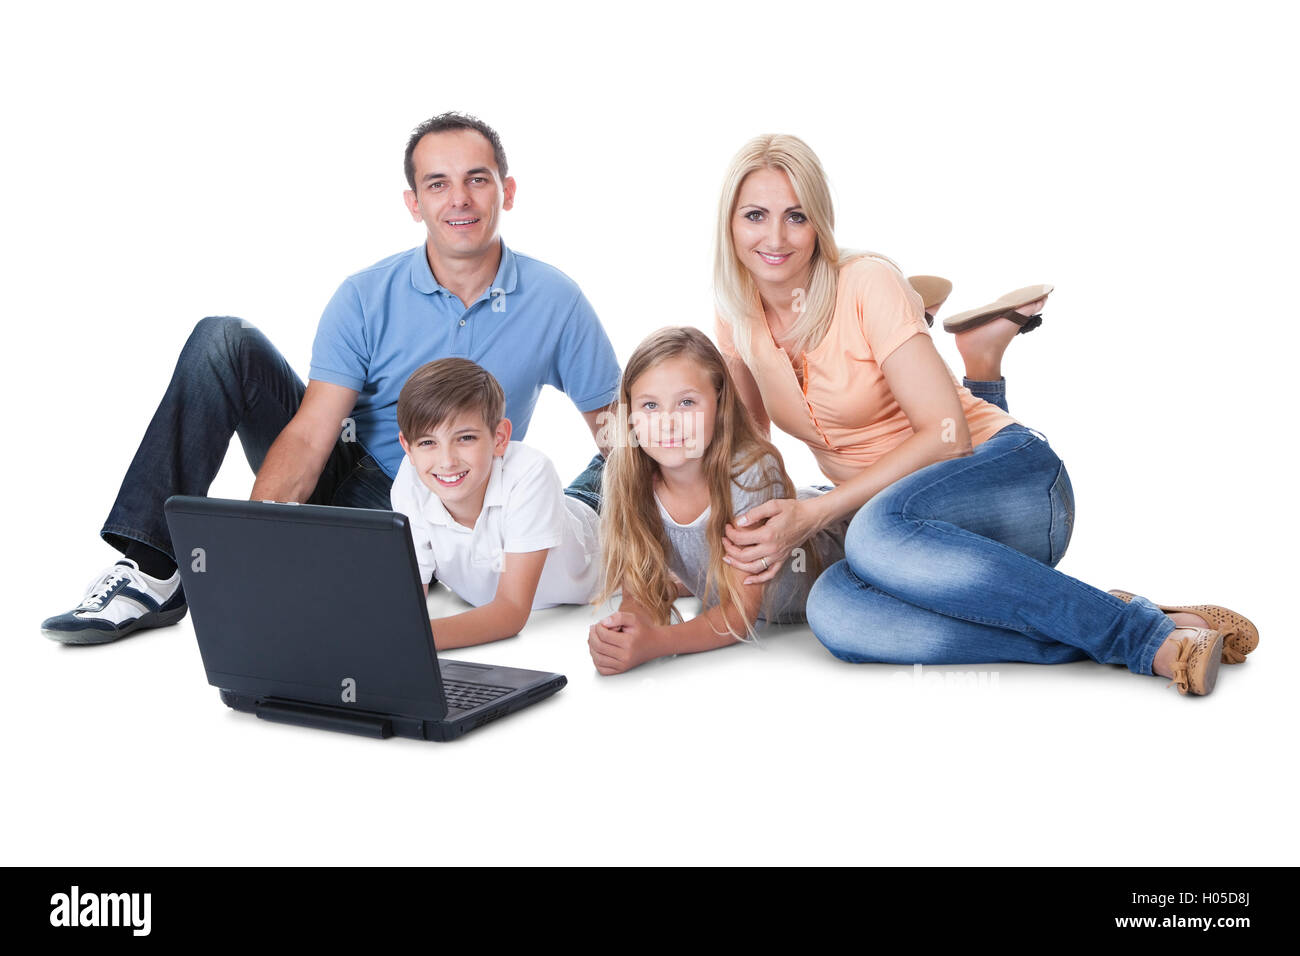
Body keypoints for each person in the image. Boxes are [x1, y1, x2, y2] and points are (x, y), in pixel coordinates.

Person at [710, 134, 1259, 697]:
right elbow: (755, 449)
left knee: (870, 533)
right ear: (729, 223)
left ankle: (1144, 640)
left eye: (795, 217)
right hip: (928, 552)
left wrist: (819, 511)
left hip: (1010, 483)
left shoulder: (864, 282)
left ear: (819, 223)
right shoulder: (735, 315)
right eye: (755, 215)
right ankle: (1101, 618)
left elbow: (945, 439)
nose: (774, 238)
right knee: (836, 611)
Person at [42, 112, 620, 644]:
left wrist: (677, 497)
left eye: (478, 179)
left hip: (435, 488)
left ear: (507, 191)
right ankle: (151, 571)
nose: (459, 199)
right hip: (351, 461)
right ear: (414, 202)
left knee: (327, 607)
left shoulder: (555, 300)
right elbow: (313, 431)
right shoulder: (365, 295)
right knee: (223, 338)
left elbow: (615, 431)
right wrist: (255, 541)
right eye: (438, 184)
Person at [587, 327, 846, 676]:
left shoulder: (749, 472)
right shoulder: (628, 476)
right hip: (733, 581)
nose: (667, 423)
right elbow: (639, 590)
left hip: (839, 546)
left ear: (720, 403)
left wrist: (656, 643)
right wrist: (626, 632)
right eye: (650, 405)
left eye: (687, 402)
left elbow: (739, 614)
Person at [391, 359, 602, 649]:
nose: (447, 461)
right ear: (408, 448)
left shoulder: (531, 472)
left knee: (628, 460)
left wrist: (407, 639)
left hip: (603, 520)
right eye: (428, 443)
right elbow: (410, 599)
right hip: (553, 510)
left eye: (465, 438)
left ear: (499, 438)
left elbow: (511, 612)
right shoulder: (411, 481)